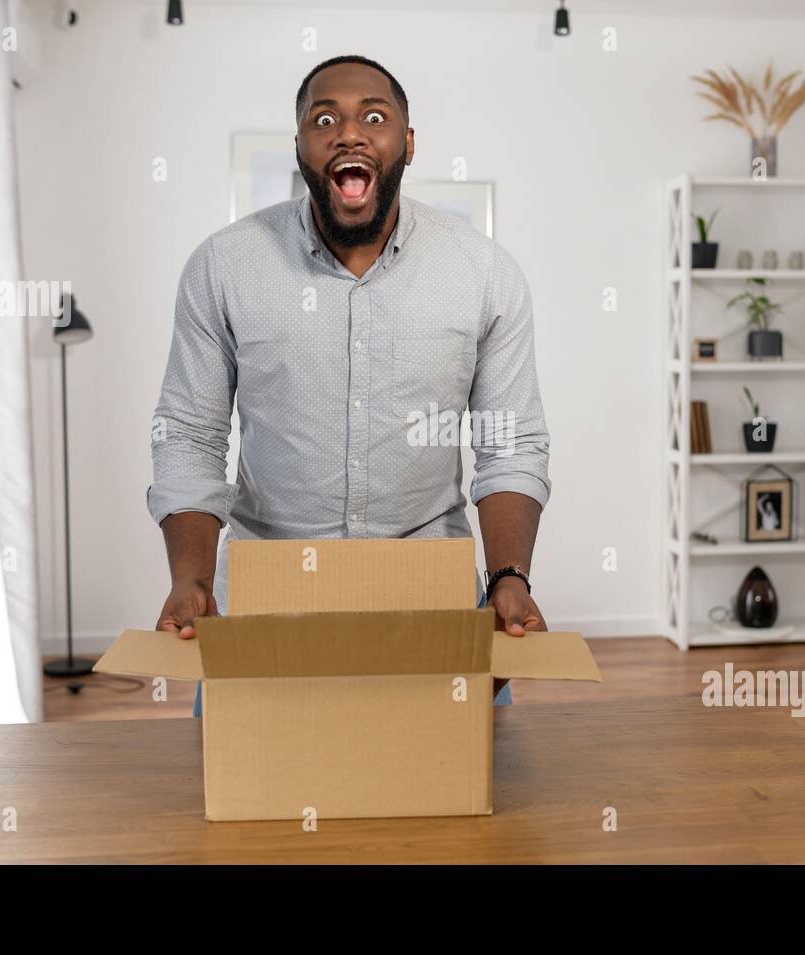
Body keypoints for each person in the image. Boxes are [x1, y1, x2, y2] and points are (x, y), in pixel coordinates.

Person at [148, 55, 552, 713]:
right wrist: (190, 577)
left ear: (408, 142)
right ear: (301, 146)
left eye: (374, 116)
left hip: (435, 607)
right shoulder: (222, 267)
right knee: (247, 813)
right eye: (324, 118)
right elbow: (191, 435)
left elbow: (509, 444)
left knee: (459, 815)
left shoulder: (484, 274)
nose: (349, 133)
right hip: (264, 609)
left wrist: (508, 578)